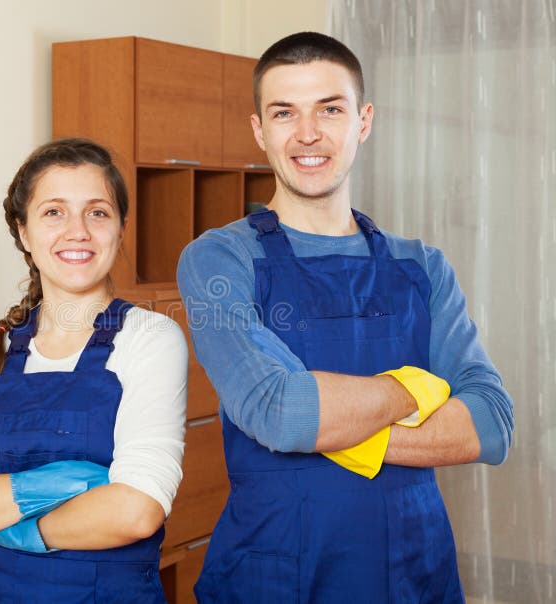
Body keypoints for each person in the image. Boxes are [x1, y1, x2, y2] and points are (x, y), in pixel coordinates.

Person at [177, 32, 513, 603]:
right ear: (260, 130)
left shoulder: (422, 265)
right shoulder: (220, 258)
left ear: (363, 121)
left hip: (414, 570)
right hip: (277, 576)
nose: (308, 134)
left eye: (330, 109)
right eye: (285, 113)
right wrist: (414, 387)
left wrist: (329, 418)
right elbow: (279, 412)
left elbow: (490, 423)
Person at [0, 138, 188, 602]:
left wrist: (13, 527)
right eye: (54, 212)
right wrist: (64, 483)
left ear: (121, 228)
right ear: (24, 232)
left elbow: (136, 511)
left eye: (98, 212)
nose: (78, 231)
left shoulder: (150, 338)